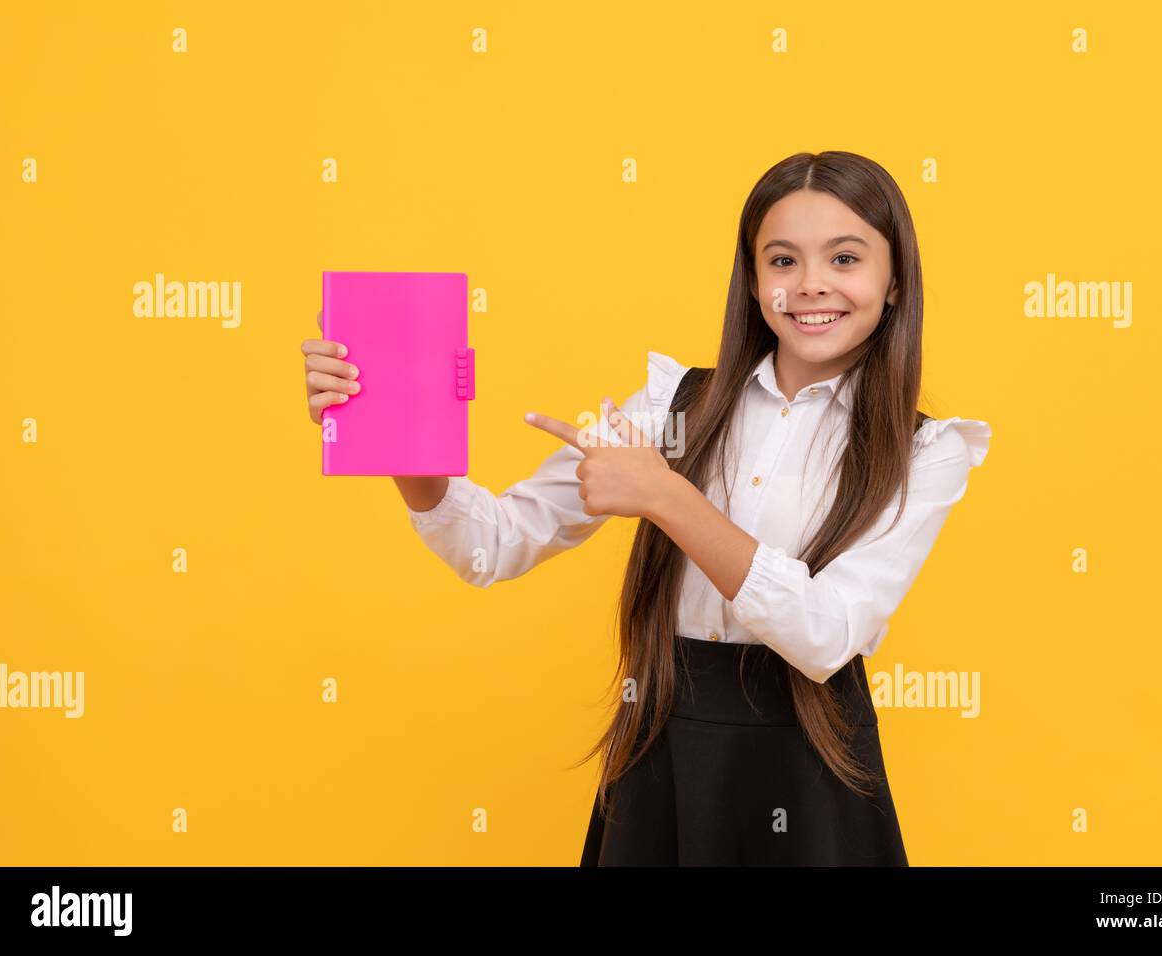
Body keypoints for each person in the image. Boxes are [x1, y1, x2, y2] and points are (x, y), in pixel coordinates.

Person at [300, 150, 992, 865]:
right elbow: (494, 545)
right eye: (783, 261)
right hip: (665, 759)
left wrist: (665, 495)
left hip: (815, 775)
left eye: (845, 258)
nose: (811, 284)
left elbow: (825, 636)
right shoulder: (673, 409)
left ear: (894, 279)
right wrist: (390, 423)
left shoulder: (924, 451)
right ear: (754, 281)